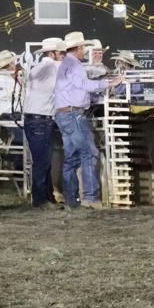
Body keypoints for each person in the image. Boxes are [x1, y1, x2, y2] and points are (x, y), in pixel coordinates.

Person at [54, 31, 123, 210]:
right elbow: (84, 85)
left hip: (64, 114)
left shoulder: (65, 64)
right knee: (90, 153)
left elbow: (78, 88)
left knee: (71, 157)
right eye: (83, 47)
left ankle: (71, 199)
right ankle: (91, 198)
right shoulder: (74, 65)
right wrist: (109, 83)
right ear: (78, 48)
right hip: (74, 114)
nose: (85, 50)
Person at [23, 37, 64, 210]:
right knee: (42, 163)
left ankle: (47, 198)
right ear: (52, 53)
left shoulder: (36, 68)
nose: (63, 55)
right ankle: (40, 200)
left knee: (43, 161)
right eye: (61, 52)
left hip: (33, 119)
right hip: (42, 119)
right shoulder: (55, 66)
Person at [0, 50, 24, 171]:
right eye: (12, 63)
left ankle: (17, 166)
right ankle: (5, 154)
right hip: (9, 115)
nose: (14, 65)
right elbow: (5, 97)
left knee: (24, 139)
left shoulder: (12, 78)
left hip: (18, 114)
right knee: (22, 139)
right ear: (9, 65)